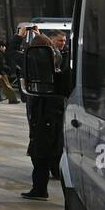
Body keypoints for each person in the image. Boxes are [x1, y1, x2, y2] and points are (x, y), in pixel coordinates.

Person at [22, 32, 71, 200]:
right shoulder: (53, 59)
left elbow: (15, 55)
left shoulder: (41, 60)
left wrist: (21, 38)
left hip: (45, 111)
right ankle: (44, 185)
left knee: (41, 152)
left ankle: (40, 189)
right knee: (49, 149)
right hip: (50, 111)